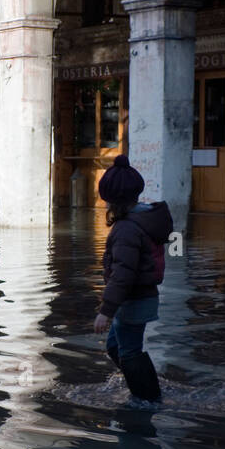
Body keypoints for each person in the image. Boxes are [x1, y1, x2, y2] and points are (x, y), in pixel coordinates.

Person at [93, 154, 173, 407]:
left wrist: (106, 311)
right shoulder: (140, 220)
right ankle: (138, 380)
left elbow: (123, 275)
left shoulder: (127, 229)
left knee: (129, 351)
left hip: (133, 301)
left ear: (112, 201)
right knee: (116, 346)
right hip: (139, 299)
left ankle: (147, 398)